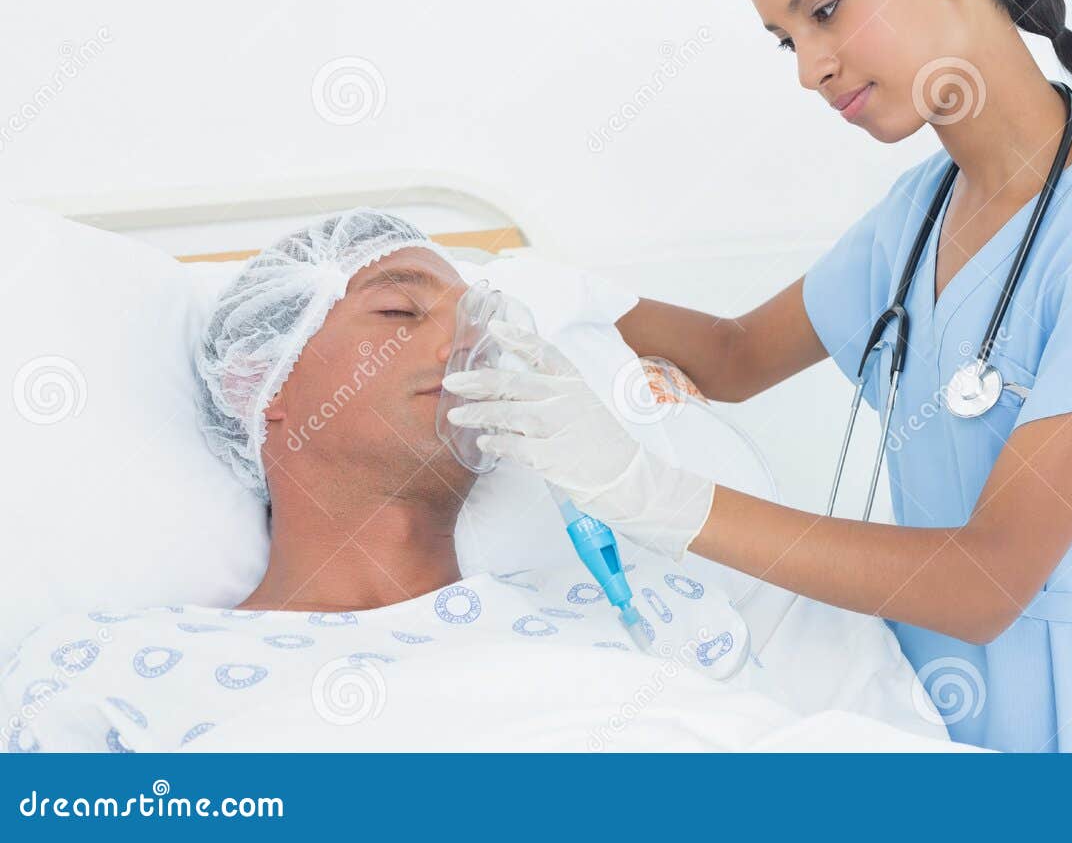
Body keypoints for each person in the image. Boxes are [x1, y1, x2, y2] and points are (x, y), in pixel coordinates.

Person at [444, 0, 1072, 753]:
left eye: (824, 12)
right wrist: (538, 290)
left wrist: (649, 491)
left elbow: (988, 581)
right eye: (786, 41)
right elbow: (735, 357)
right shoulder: (921, 211)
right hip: (923, 715)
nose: (812, 68)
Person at [0, 210, 745, 753]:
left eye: (476, 317)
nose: (468, 341)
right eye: (399, 308)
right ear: (262, 382)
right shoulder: (112, 669)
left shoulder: (642, 609)